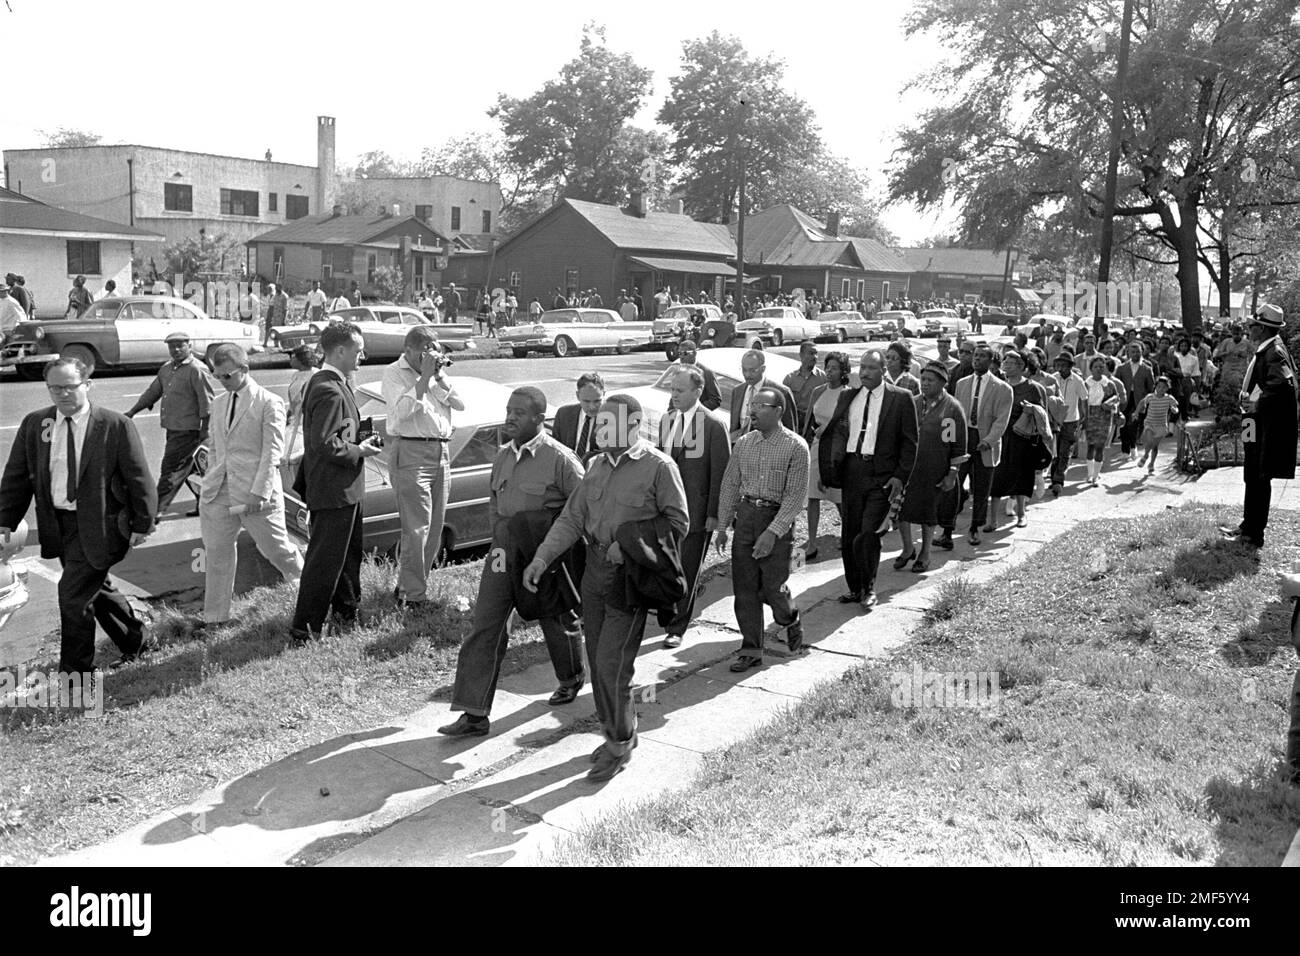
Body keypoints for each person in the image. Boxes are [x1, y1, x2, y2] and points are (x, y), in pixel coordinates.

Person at [522, 394, 689, 782]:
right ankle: (619, 730)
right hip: (593, 576)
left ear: (632, 425)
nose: (598, 429)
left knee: (613, 665)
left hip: (629, 579)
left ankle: (618, 744)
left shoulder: (659, 467)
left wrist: (629, 546)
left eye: (606, 423)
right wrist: (541, 559)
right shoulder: (595, 466)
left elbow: (679, 524)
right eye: (597, 423)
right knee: (599, 662)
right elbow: (570, 519)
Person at [438, 387, 587, 737]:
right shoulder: (503, 456)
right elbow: (495, 504)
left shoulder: (560, 459)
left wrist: (554, 553)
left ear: (539, 417)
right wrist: (499, 546)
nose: (510, 417)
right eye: (509, 410)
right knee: (485, 624)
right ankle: (473, 714)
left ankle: (571, 676)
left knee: (555, 616)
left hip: (545, 552)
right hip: (505, 551)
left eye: (519, 412)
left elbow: (582, 509)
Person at [0, 357, 156, 675]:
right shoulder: (36, 424)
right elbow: (16, 477)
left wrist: (143, 522)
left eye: (70, 387)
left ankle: (76, 679)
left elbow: (138, 478)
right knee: (95, 589)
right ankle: (138, 641)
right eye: (54, 388)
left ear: (87, 385)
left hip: (101, 525)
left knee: (72, 596)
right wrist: (5, 520)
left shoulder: (114, 425)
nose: (62, 394)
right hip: (59, 526)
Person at [289, 323, 384, 642]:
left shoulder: (334, 382)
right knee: (324, 562)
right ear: (339, 351)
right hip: (333, 490)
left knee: (346, 557)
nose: (363, 356)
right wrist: (360, 449)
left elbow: (336, 432)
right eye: (358, 350)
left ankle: (347, 612)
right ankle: (305, 629)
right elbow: (324, 442)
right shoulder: (327, 387)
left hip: (345, 488)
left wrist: (358, 438)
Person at [197, 345, 303, 631]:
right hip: (219, 490)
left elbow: (273, 453)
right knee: (217, 553)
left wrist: (260, 492)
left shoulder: (269, 402)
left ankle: (307, 593)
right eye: (216, 375)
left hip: (257, 493)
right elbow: (216, 446)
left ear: (244, 370)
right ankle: (216, 618)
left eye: (227, 375)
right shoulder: (219, 403)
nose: (222, 381)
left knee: (277, 550)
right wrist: (210, 479)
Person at [714, 387, 809, 670]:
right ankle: (751, 650)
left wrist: (773, 532)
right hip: (746, 518)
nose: (753, 411)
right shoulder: (744, 444)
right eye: (752, 405)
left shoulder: (795, 446)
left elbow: (795, 497)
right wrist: (722, 526)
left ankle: (789, 617)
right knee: (744, 589)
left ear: (778, 410)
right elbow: (730, 484)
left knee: (772, 587)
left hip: (775, 519)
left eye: (761, 405)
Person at [817, 349, 918, 609]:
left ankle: (870, 588)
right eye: (862, 367)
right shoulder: (849, 396)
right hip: (852, 472)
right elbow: (835, 435)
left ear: (884, 370)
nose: (864, 372)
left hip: (881, 476)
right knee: (850, 533)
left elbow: (910, 443)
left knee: (869, 532)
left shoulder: (901, 399)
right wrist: (829, 470)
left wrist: (900, 477)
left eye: (871, 368)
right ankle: (855, 588)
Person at [382, 326, 465, 609]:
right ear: (408, 350)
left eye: (434, 350)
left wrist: (440, 378)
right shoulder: (394, 373)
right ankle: (412, 596)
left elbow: (460, 404)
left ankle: (413, 586)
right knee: (416, 527)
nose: (430, 356)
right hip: (411, 450)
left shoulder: (435, 373)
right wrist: (424, 378)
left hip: (441, 450)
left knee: (434, 528)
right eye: (424, 352)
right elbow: (401, 413)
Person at [657, 366, 730, 648]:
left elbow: (720, 474)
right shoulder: (668, 419)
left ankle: (677, 627)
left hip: (696, 514)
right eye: (672, 389)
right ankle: (666, 612)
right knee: (665, 566)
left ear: (698, 391)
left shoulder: (713, 425)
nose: (674, 395)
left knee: (687, 568)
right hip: (665, 511)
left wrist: (714, 515)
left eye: (680, 390)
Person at [1222, 305, 1298, 549]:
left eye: (1253, 325)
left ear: (1263, 328)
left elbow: (1283, 386)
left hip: (1261, 423)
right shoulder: (1266, 349)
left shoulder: (1274, 351)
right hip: (1251, 422)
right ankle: (1247, 525)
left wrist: (1257, 403)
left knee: (1259, 476)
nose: (1248, 328)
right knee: (1250, 472)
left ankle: (1255, 534)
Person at [124, 331, 215, 522]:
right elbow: (153, 392)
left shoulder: (197, 369)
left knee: (170, 470)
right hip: (173, 428)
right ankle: (204, 502)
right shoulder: (167, 369)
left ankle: (154, 512)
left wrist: (204, 431)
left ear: (190, 346)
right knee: (193, 469)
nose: (175, 350)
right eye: (172, 346)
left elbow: (207, 403)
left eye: (180, 345)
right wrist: (133, 411)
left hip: (190, 431)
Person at [896, 362, 968, 573]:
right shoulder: (912, 403)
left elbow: (956, 445)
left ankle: (925, 553)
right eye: (923, 379)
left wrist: (952, 474)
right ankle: (907, 548)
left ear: (942, 383)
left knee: (928, 513)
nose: (925, 384)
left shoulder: (951, 409)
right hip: (909, 469)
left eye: (930, 380)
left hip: (934, 470)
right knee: (902, 510)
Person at [986, 348, 1048, 529]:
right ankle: (992, 520)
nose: (1006, 365)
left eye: (1011, 363)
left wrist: (1032, 410)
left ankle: (1021, 515)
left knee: (1022, 477)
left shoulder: (1033, 388)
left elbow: (1042, 415)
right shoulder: (997, 385)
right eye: (1005, 362)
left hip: (1022, 439)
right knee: (997, 478)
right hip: (1000, 438)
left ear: (1022, 366)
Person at [804, 351, 849, 560]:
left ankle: (847, 533)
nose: (830, 372)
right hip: (817, 447)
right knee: (813, 496)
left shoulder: (847, 394)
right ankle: (812, 542)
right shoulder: (818, 391)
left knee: (837, 496)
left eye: (834, 369)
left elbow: (849, 423)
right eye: (827, 367)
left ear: (843, 372)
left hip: (837, 450)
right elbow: (809, 420)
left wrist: (830, 429)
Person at [729, 350, 796, 441]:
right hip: (740, 448)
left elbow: (790, 430)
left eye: (753, 370)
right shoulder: (737, 391)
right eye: (744, 370)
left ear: (763, 369)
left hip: (769, 450)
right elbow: (734, 426)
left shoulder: (781, 392)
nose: (747, 374)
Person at [1049, 353, 1087, 495]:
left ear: (1070, 366)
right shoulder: (1053, 378)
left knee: (1065, 452)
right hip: (1054, 420)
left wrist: (1085, 418)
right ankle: (1054, 478)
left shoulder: (1077, 380)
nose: (1061, 368)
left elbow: (1084, 399)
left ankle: (1058, 480)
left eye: (1064, 365)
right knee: (1055, 451)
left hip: (1071, 420)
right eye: (1059, 365)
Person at [1080, 355, 1121, 486]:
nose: (1099, 369)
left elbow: (1117, 397)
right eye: (1096, 366)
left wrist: (1110, 403)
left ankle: (1096, 476)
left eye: (1101, 367)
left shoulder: (1109, 383)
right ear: (1091, 368)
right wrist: (1083, 417)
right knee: (1090, 445)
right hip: (1090, 415)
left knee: (1100, 446)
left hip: (1104, 415)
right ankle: (1089, 474)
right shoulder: (1086, 384)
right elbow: (1081, 401)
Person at [1115, 342, 1156, 461]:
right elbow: (1117, 384)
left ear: (1142, 352)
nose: (1135, 354)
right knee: (1123, 425)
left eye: (1138, 351)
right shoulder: (1122, 368)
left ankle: (1133, 447)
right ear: (1128, 353)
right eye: (1132, 351)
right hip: (1125, 400)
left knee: (1133, 425)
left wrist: (1147, 400)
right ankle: (1125, 450)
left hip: (1139, 400)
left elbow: (1150, 386)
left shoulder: (1147, 369)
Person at [553, 372, 606, 463]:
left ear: (604, 394)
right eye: (586, 401)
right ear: (577, 396)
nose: (592, 407)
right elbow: (556, 450)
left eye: (597, 401)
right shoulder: (564, 414)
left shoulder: (613, 419)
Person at [1136, 377, 1178, 475]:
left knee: (1155, 447)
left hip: (1161, 425)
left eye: (1163, 387)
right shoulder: (1150, 397)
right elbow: (1142, 402)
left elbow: (1176, 408)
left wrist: (1174, 410)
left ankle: (1151, 464)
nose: (1160, 389)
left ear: (1167, 388)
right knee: (1150, 441)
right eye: (1158, 387)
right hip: (1149, 423)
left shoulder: (1169, 398)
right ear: (1155, 387)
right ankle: (1145, 456)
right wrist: (1136, 412)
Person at [783, 341, 827, 435]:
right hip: (795, 422)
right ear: (801, 355)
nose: (814, 357)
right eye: (811, 353)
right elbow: (783, 404)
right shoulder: (790, 379)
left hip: (814, 423)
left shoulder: (823, 378)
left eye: (816, 354)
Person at [672, 341, 722, 410]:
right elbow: (674, 395)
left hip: (699, 416)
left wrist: (695, 410)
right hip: (680, 416)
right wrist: (671, 414)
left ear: (694, 353)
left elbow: (715, 399)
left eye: (685, 353)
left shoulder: (706, 372)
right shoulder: (679, 371)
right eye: (680, 353)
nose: (681, 357)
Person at [264, 283, 289, 347]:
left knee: (282, 331)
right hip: (275, 316)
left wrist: (284, 319)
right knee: (275, 331)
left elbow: (285, 309)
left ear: (280, 288)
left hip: (281, 317)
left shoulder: (284, 296)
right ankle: (276, 344)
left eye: (277, 288)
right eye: (275, 288)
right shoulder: (276, 296)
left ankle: (284, 345)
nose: (276, 289)